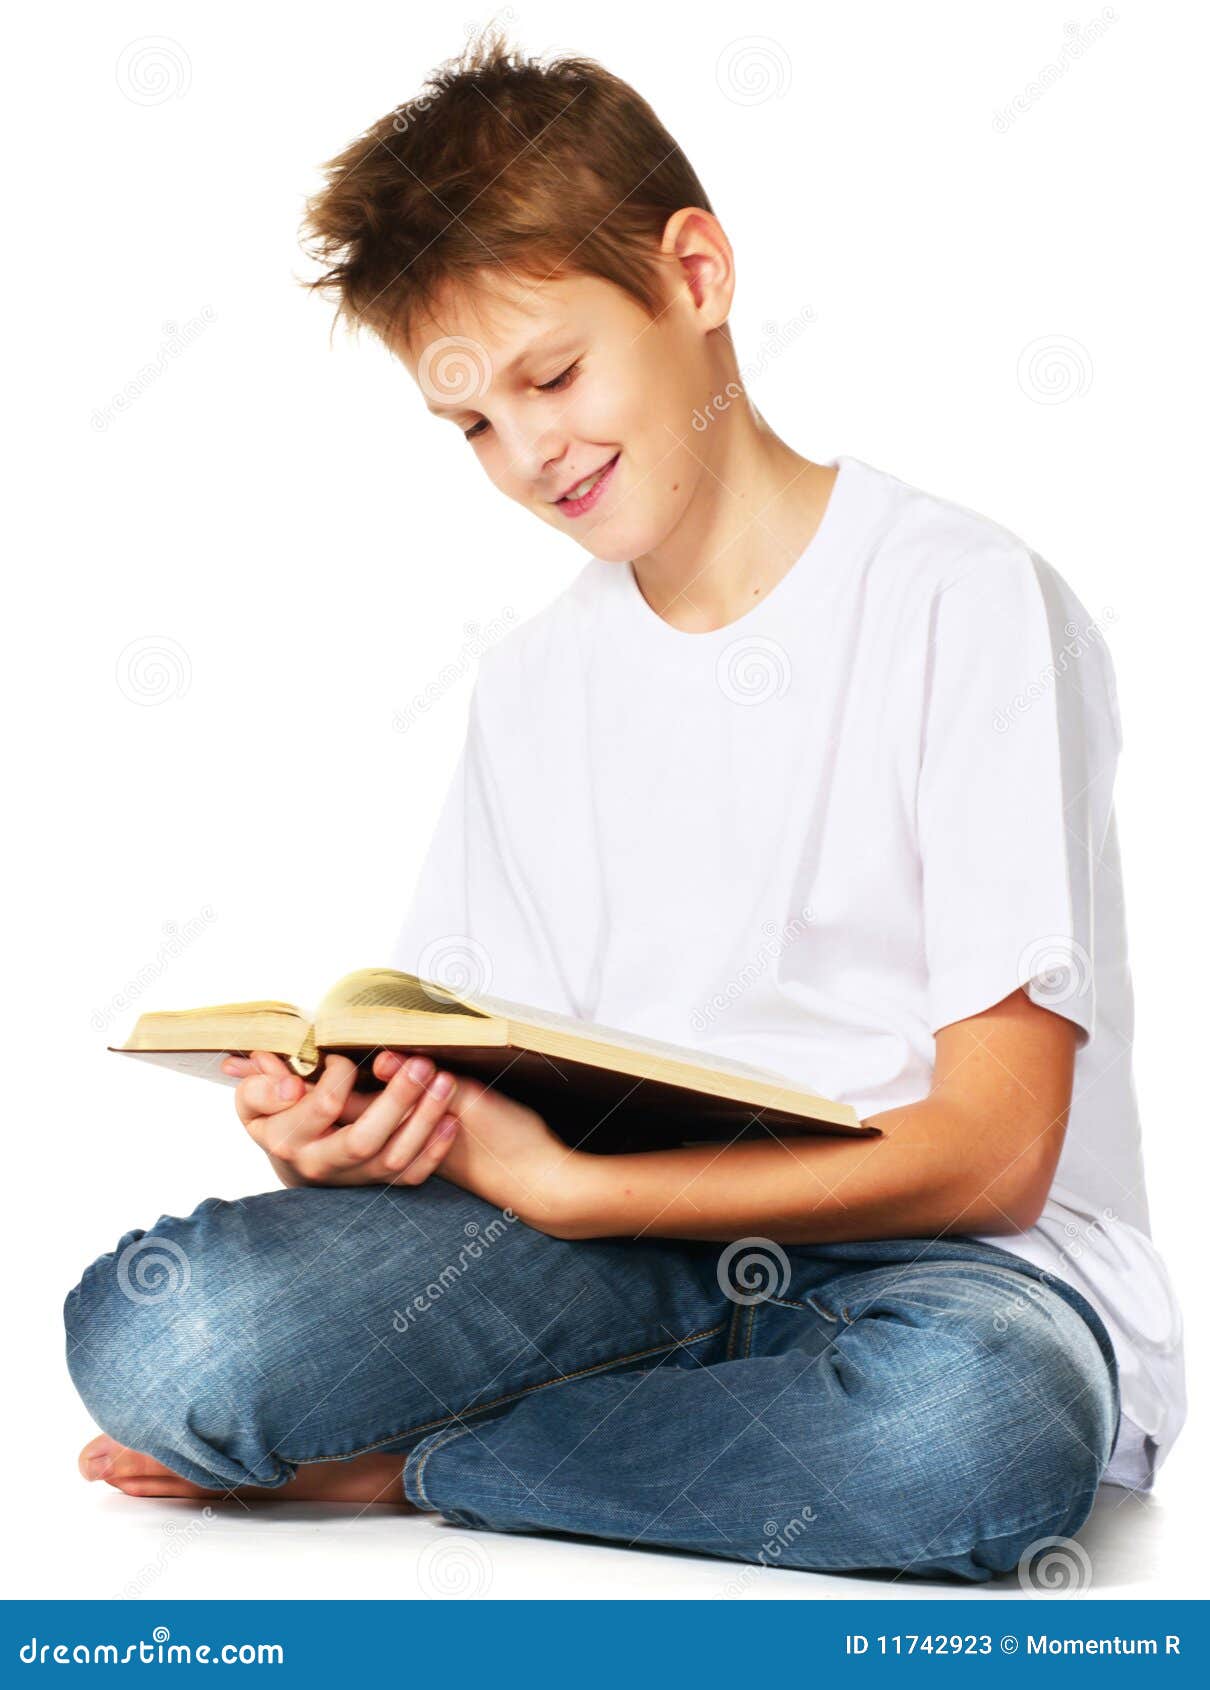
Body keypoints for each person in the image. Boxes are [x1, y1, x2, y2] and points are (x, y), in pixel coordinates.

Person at [65, 33, 1183, 1582]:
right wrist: (350, 1134)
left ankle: (446, 1461)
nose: (528, 455)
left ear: (698, 274)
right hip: (614, 1256)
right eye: (470, 424)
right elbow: (497, 1090)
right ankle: (675, 1422)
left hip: (949, 1269)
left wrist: (578, 1190)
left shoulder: (961, 599)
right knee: (166, 1330)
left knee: (962, 1439)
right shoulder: (530, 683)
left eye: (551, 375)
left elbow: (995, 1151)